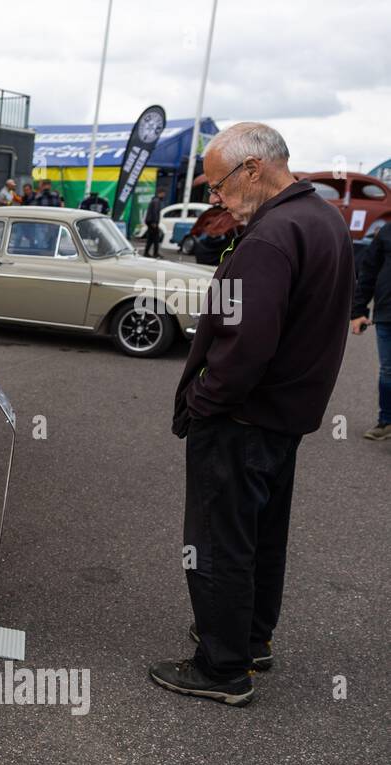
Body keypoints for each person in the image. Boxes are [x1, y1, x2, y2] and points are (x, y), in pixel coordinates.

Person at [155, 122, 354, 706]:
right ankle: (251, 639)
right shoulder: (322, 220)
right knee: (262, 536)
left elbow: (246, 346)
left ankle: (222, 668)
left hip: (242, 421)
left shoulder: (270, 237)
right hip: (283, 417)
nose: (215, 198)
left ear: (252, 170)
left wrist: (202, 403)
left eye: (217, 185)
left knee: (218, 542)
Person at [350, 221, 391, 440]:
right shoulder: (386, 232)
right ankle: (387, 421)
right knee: (388, 371)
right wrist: (358, 311)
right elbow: (368, 272)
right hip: (387, 314)